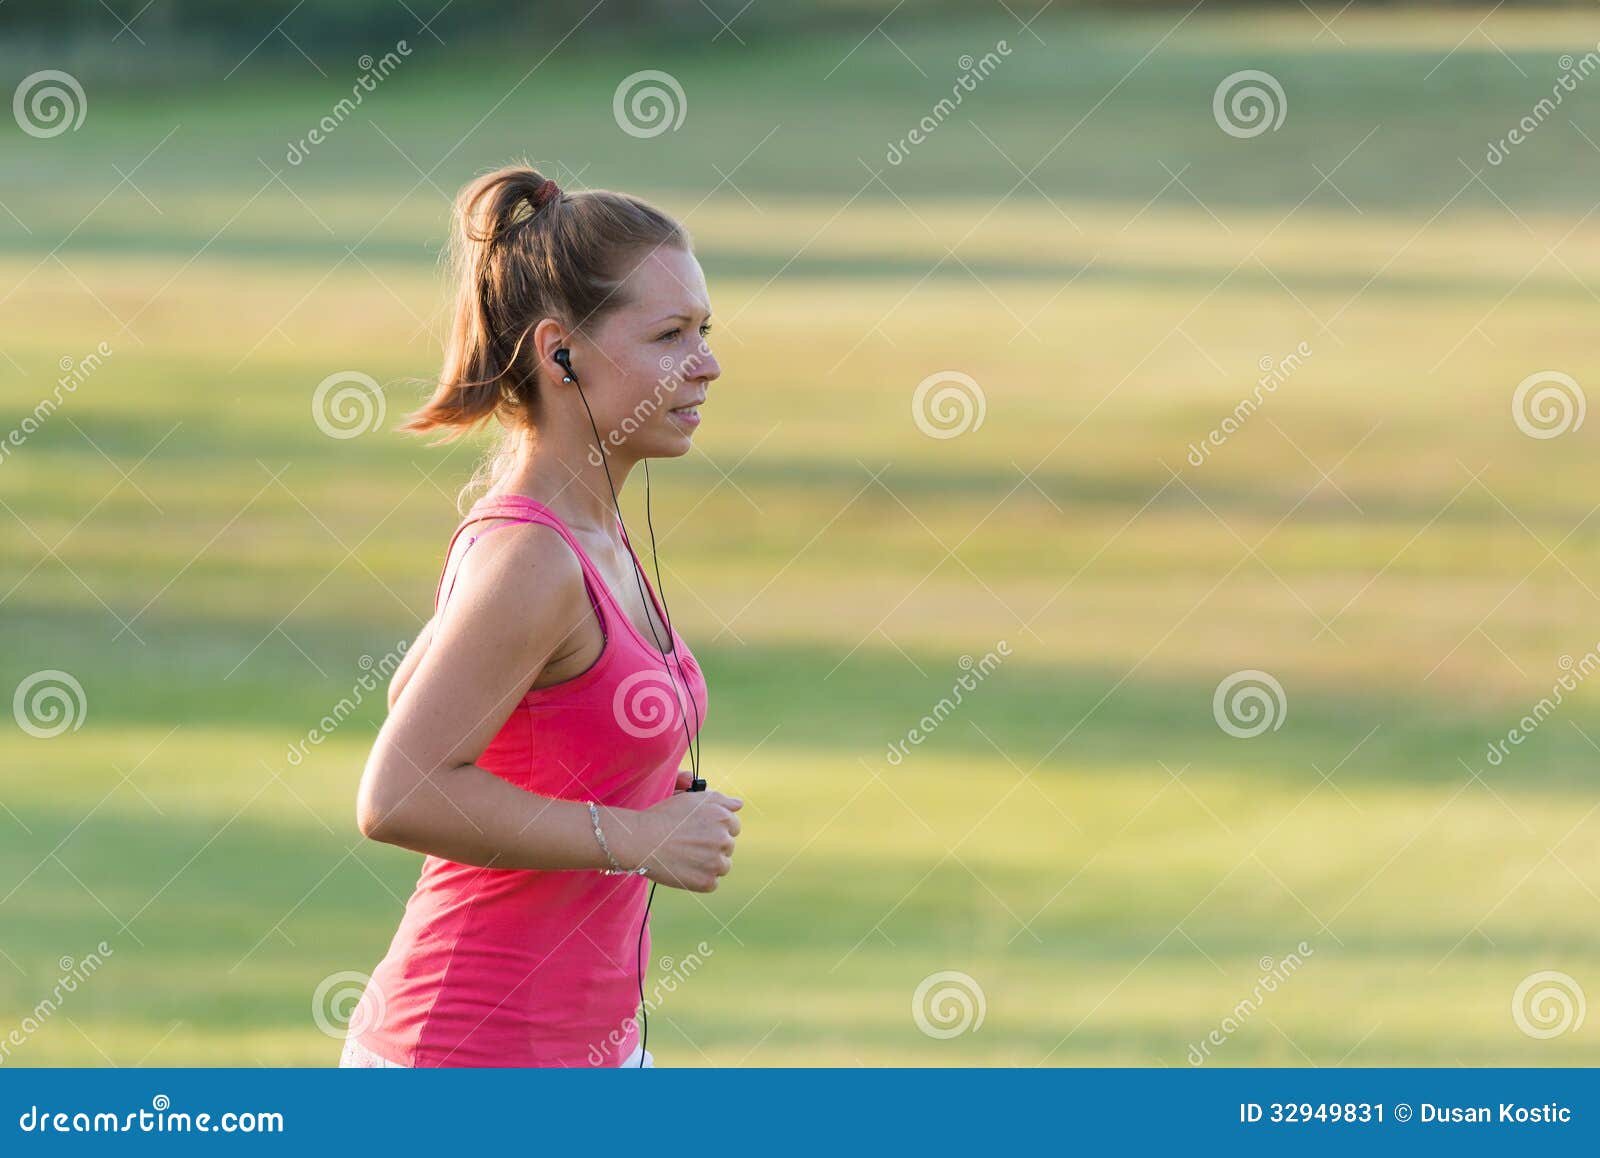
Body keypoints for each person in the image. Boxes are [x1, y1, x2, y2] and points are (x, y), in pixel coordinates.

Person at [339, 163, 742, 1068]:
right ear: (561, 353)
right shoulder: (533, 557)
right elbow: (398, 792)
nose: (708, 362)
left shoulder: (585, 530)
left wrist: (624, 783)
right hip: (467, 1055)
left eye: (705, 330)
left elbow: (480, 717)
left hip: (583, 1052)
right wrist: (636, 836)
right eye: (671, 334)